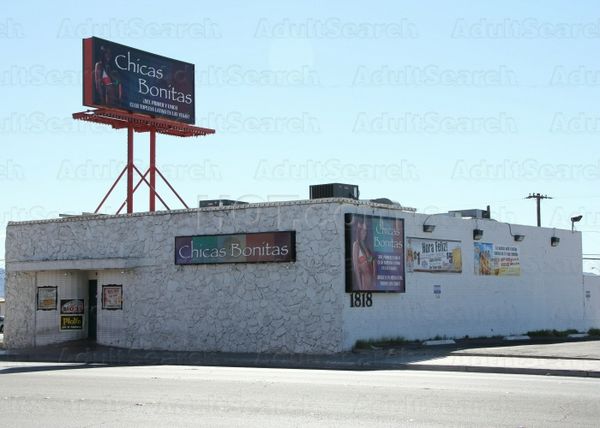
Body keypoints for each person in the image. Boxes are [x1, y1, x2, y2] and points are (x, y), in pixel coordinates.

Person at [352, 217, 376, 291]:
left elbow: (372, 263)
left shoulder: (366, 246)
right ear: (358, 231)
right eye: (362, 231)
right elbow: (356, 268)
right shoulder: (356, 245)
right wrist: (360, 288)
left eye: (365, 231)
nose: (364, 233)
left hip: (372, 284)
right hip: (364, 284)